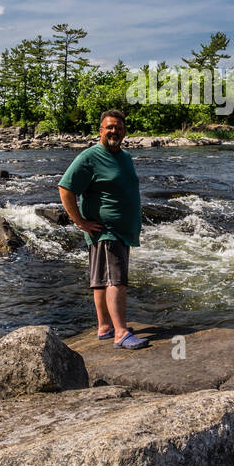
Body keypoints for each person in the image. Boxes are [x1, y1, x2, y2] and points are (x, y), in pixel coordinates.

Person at [58, 109, 148, 349]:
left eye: (118, 127)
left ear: (124, 131)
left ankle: (105, 327)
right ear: (100, 131)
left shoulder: (125, 156)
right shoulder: (89, 157)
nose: (114, 131)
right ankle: (121, 333)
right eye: (109, 127)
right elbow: (65, 188)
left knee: (101, 280)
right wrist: (79, 221)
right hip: (106, 231)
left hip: (120, 230)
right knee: (115, 280)